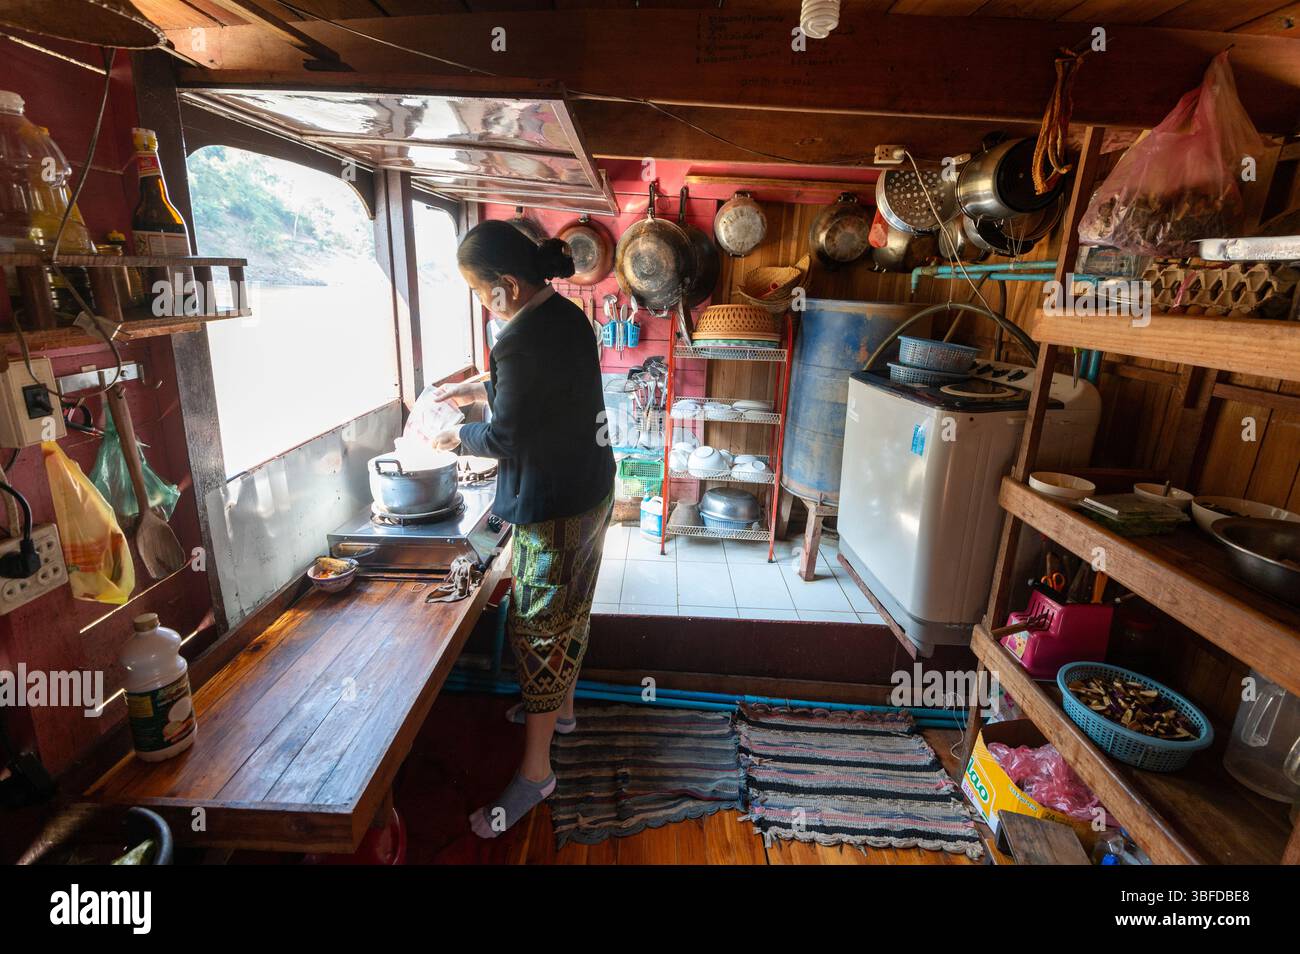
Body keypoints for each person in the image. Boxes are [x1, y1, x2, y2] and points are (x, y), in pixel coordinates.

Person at [430, 219, 615, 839]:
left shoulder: (517, 340)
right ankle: (559, 710)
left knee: (538, 628)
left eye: (484, 293)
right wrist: (478, 388)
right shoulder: (565, 317)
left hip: (555, 505)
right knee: (573, 607)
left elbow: (507, 436)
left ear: (507, 285)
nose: (485, 304)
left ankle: (536, 775)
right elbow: (538, 398)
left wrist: (455, 435)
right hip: (591, 490)